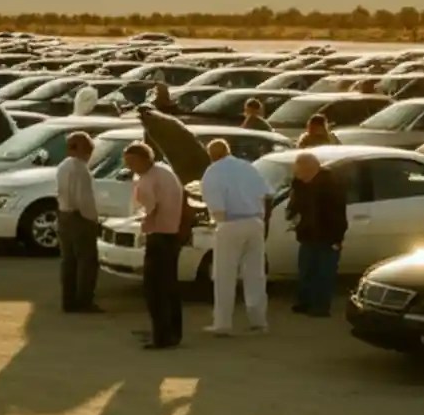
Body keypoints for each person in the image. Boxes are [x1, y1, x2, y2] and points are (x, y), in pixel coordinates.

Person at [200, 139, 272, 335]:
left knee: (224, 275)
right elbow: (265, 193)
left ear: (211, 155)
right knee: (255, 274)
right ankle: (259, 320)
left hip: (230, 223)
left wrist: (218, 224)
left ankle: (223, 323)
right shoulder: (248, 167)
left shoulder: (212, 173)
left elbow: (217, 206)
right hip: (255, 222)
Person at [125, 142, 186, 350]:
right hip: (170, 233)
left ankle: (162, 336)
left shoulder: (151, 178)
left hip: (160, 234)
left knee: (155, 289)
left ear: (143, 159)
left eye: (131, 162)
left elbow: (148, 207)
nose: (130, 167)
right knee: (169, 287)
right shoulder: (163, 171)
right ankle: (172, 333)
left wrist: (140, 222)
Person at [286, 152, 348, 317]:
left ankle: (320, 307)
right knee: (306, 271)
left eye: (298, 169)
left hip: (327, 237)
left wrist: (337, 239)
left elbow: (338, 215)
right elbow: (295, 206)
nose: (296, 173)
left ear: (308, 169)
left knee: (324, 274)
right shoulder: (301, 185)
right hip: (307, 235)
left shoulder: (330, 186)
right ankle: (305, 302)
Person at [56, 132, 102, 314]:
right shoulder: (80, 169)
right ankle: (84, 301)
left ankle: (69, 300)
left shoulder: (63, 166)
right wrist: (93, 220)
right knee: (87, 261)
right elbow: (84, 200)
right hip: (79, 218)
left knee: (69, 261)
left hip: (64, 215)